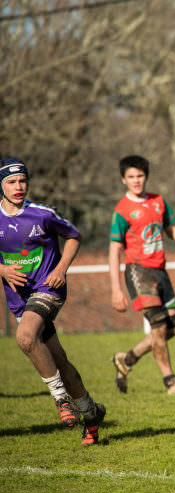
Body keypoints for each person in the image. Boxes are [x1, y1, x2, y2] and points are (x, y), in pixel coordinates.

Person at [0, 157, 106, 445]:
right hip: (19, 299)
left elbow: (73, 236)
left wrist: (60, 270)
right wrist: (2, 269)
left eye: (22, 180)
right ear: (1, 186)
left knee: (24, 338)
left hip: (48, 289)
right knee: (57, 359)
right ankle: (91, 414)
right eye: (11, 181)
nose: (18, 186)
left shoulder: (42, 214)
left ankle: (61, 400)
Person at [109, 155, 175, 395]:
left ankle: (127, 360)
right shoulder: (121, 211)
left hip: (160, 272)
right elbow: (114, 250)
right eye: (131, 177)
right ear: (123, 179)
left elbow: (171, 230)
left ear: (146, 177)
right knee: (157, 327)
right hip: (138, 272)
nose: (136, 181)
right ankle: (171, 382)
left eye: (140, 176)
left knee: (172, 328)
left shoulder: (158, 201)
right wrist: (115, 289)